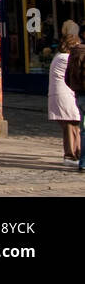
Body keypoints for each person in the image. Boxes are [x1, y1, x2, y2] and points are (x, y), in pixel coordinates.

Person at [50, 21, 81, 163]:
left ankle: (75, 153)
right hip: (64, 95)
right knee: (70, 124)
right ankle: (70, 154)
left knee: (73, 124)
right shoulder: (65, 58)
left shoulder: (59, 57)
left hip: (63, 95)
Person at [68, 22, 85, 172]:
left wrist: (76, 89)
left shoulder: (74, 53)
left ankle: (83, 162)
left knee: (84, 129)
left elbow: (67, 77)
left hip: (79, 95)